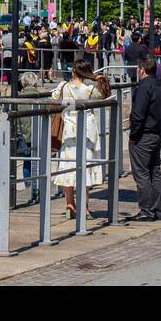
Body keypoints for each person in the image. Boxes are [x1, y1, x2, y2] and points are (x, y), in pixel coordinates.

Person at [51, 59, 110, 220]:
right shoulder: (90, 90)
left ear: (73, 72)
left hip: (69, 128)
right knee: (85, 166)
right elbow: (104, 95)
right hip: (87, 129)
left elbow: (54, 97)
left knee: (68, 165)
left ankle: (70, 204)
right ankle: (84, 207)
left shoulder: (64, 86)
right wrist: (97, 79)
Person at [126, 56, 161, 222]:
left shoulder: (144, 87)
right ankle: (157, 209)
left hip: (144, 134)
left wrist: (133, 134)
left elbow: (138, 113)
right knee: (155, 171)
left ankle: (146, 210)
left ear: (142, 70)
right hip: (157, 132)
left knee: (142, 173)